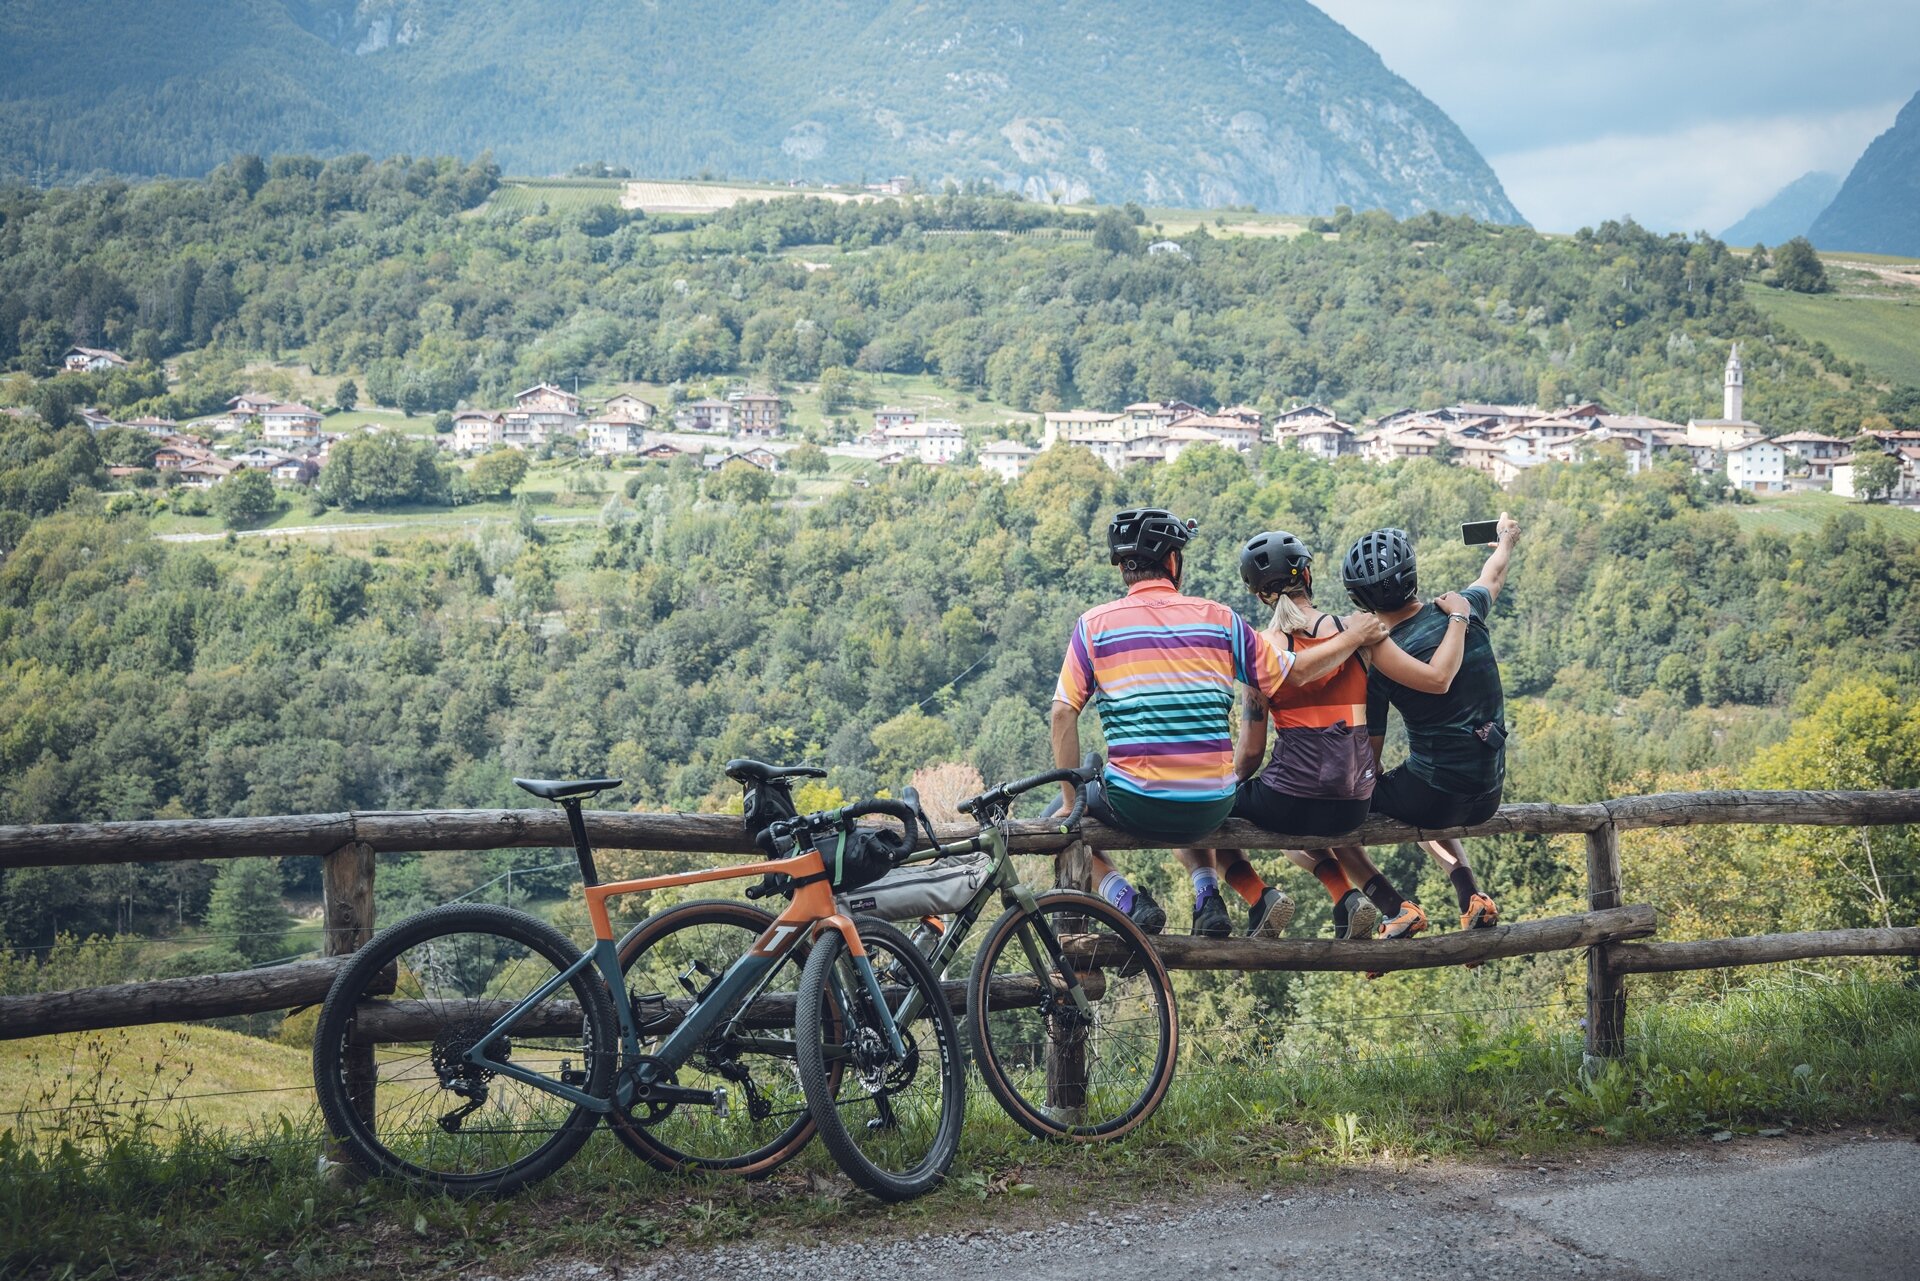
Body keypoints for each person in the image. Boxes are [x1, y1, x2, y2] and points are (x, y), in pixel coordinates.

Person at [1052, 508, 1389, 934]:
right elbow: (1296, 671)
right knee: (1191, 788)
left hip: (1136, 803)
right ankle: (1208, 897)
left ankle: (1128, 900)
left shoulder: (1092, 626)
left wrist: (1069, 803)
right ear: (1174, 562)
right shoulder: (1223, 619)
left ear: (1123, 567)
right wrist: (1354, 636)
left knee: (1061, 810)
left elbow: (1063, 711)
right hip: (1213, 804)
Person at [1175, 530, 1472, 939]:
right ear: (1308, 575)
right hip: (1353, 803)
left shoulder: (1261, 651)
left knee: (1199, 809)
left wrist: (1219, 789)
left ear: (1260, 595)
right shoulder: (1359, 631)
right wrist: (1459, 618)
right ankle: (1345, 897)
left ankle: (1259, 895)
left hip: (1290, 799)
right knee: (1299, 825)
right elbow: (1433, 679)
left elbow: (1250, 755)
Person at [1328, 514, 1519, 943]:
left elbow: (1369, 759)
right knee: (1420, 781)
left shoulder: (1380, 660)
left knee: (1329, 810)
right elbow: (1494, 574)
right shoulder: (1464, 609)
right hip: (1489, 792)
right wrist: (1505, 540)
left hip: (1437, 798)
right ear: (1412, 574)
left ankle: (1393, 907)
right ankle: (1471, 895)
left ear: (1359, 599)